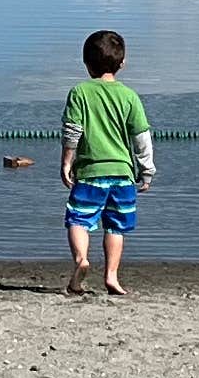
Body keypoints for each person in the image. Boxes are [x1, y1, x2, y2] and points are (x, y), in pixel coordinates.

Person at [60, 27, 153, 300]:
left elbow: (72, 132)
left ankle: (81, 260)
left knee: (78, 219)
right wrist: (147, 172)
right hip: (123, 175)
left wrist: (67, 162)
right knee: (115, 227)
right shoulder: (129, 96)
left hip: (90, 173)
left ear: (86, 63)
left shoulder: (79, 93)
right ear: (122, 64)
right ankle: (111, 276)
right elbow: (142, 139)